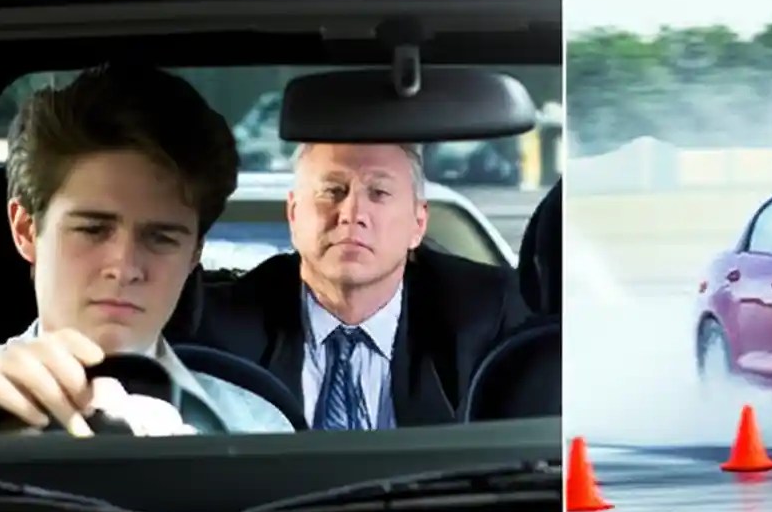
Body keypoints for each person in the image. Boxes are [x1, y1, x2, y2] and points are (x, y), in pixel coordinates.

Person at [0, 64, 294, 441]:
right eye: (92, 229)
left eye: (161, 238)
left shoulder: (253, 422)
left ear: (194, 253)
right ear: (26, 230)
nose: (124, 266)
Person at [193, 141, 533, 430]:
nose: (351, 213)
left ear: (418, 223)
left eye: (379, 192)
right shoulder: (221, 327)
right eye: (332, 191)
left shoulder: (487, 320)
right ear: (294, 216)